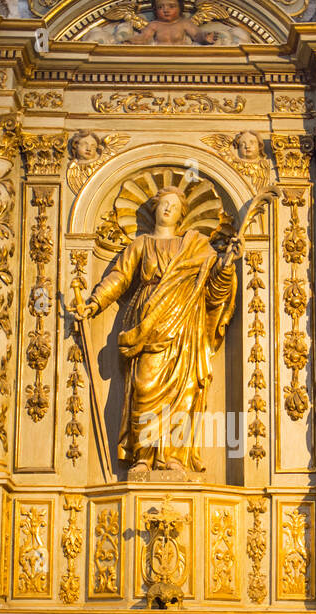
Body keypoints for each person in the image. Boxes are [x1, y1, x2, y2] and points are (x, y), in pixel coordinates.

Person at [78, 184, 241, 474]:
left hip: (184, 325)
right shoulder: (140, 245)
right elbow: (119, 277)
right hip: (148, 323)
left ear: (181, 215)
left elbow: (215, 288)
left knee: (184, 389)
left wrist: (226, 265)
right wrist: (95, 302)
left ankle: (173, 457)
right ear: (154, 209)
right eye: (164, 204)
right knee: (144, 385)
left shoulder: (196, 246)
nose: (168, 209)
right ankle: (143, 455)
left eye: (174, 206)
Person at [127, 0, 216, 44]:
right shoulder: (155, 25)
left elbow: (197, 35)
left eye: (171, 6)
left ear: (180, 8)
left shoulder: (184, 23)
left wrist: (205, 37)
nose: (166, 10)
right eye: (160, 7)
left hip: (180, 58)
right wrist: (130, 41)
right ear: (155, 10)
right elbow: (144, 38)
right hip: (159, 58)